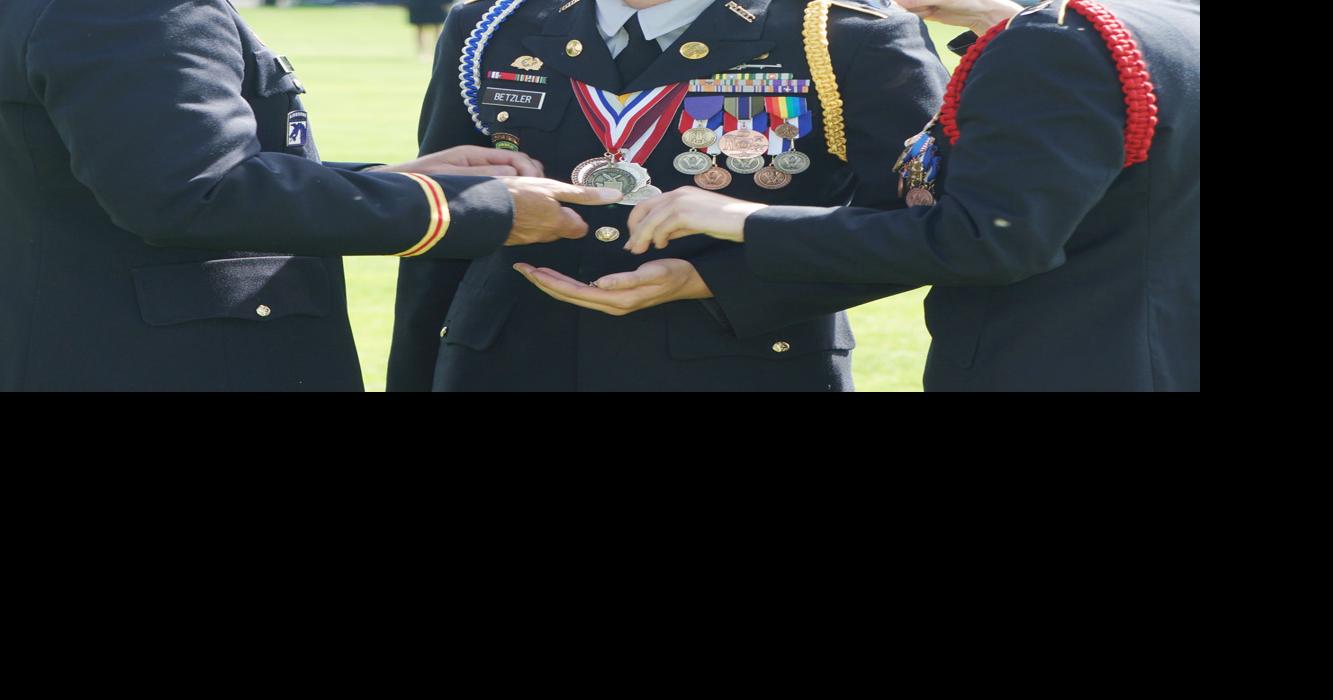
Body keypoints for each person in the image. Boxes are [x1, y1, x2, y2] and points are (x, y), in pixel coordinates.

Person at [0, 0, 620, 392]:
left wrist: (395, 178)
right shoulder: (136, 13)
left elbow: (146, 162)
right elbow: (199, 193)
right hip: (166, 361)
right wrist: (475, 208)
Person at [609, 0, 1201, 392]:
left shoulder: (1052, 41)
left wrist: (744, 217)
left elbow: (984, 240)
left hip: (1052, 366)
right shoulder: (1167, 24)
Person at [388, 0, 950, 392]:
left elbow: (922, 227)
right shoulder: (490, 24)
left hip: (743, 365)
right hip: (506, 363)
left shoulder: (842, 33)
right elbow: (442, 223)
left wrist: (714, 281)